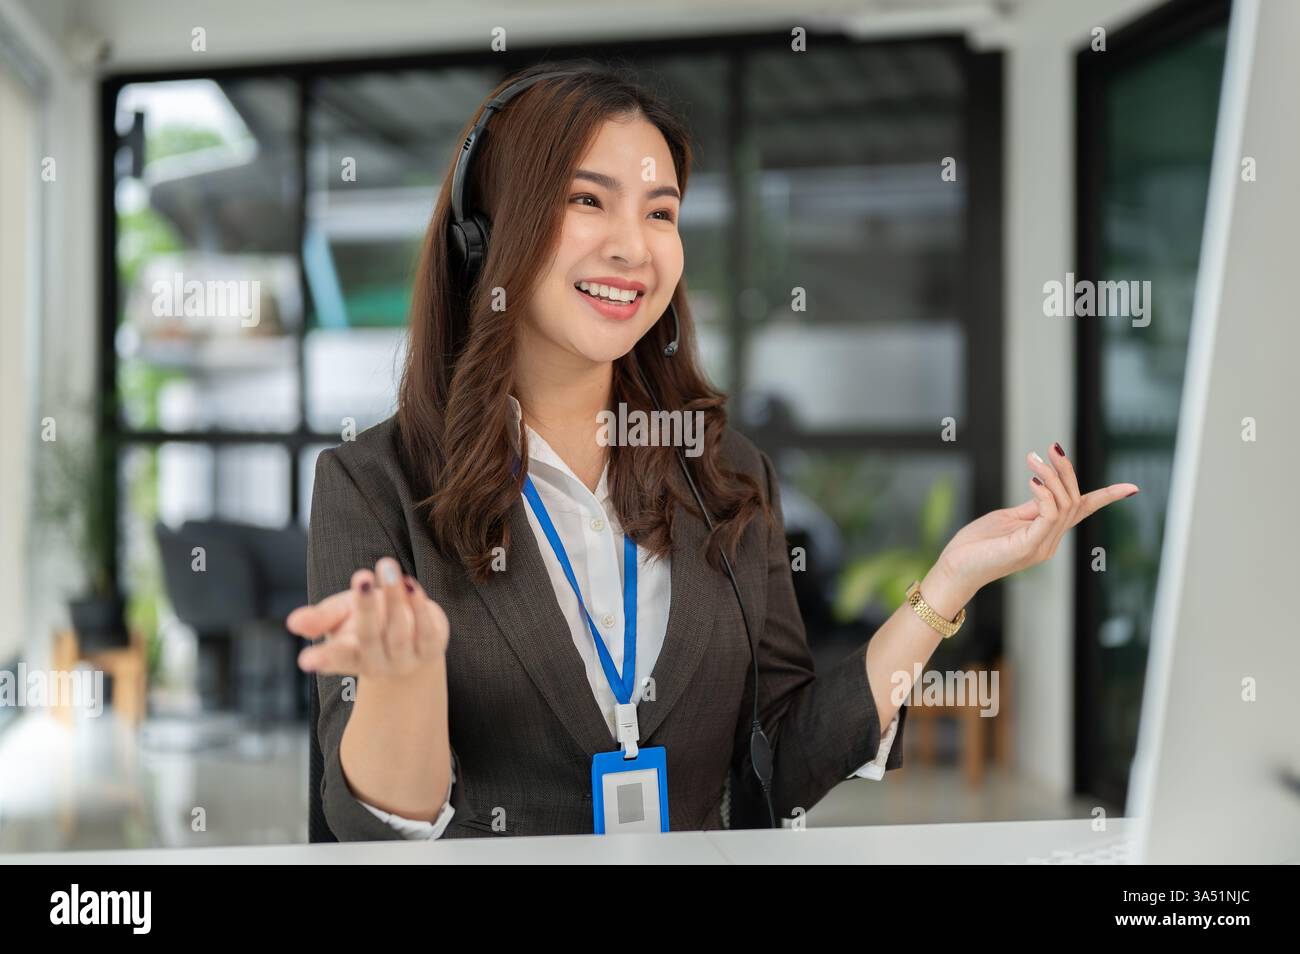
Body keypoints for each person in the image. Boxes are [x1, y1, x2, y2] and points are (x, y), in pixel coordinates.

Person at [287, 61, 1138, 841]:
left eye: (660, 211)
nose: (634, 245)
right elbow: (372, 837)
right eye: (589, 200)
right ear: (485, 233)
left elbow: (787, 760)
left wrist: (948, 583)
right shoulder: (374, 485)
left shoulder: (723, 472)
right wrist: (403, 680)